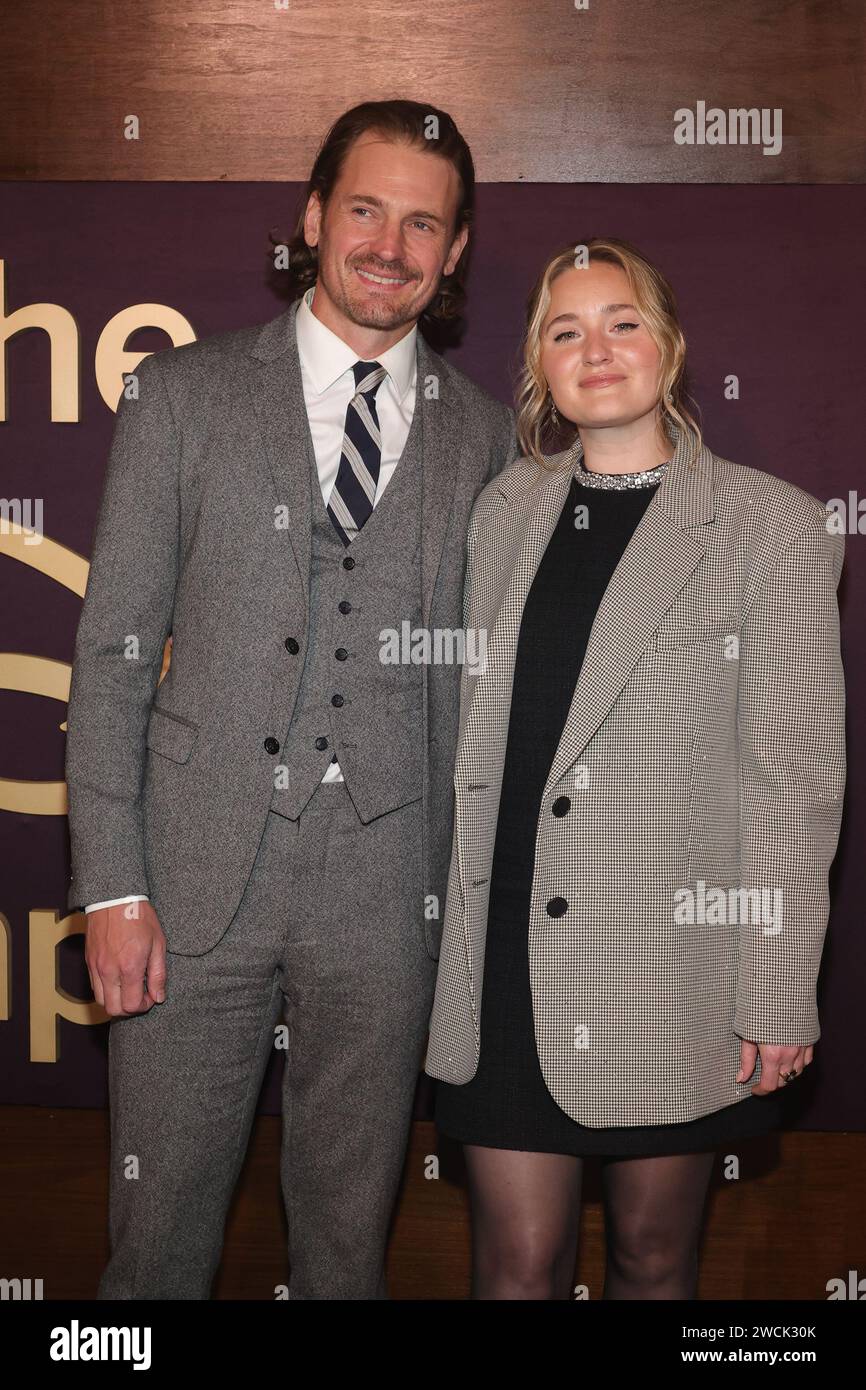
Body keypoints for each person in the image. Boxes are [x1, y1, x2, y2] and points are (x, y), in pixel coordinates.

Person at [65, 98, 518, 1300]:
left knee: (344, 1251)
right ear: (312, 218)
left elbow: (491, 693)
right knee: (154, 1249)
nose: (389, 246)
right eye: (364, 210)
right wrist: (112, 885)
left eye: (422, 224)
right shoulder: (182, 396)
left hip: (389, 892)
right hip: (190, 877)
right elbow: (113, 656)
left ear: (454, 250)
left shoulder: (486, 441)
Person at [425, 237, 846, 1299]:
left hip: (668, 969)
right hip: (502, 964)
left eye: (622, 323)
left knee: (652, 1262)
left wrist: (776, 984)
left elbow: (792, 780)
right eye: (564, 331)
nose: (596, 349)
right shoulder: (501, 513)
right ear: (538, 365)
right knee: (515, 1267)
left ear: (669, 345)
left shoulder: (770, 525)